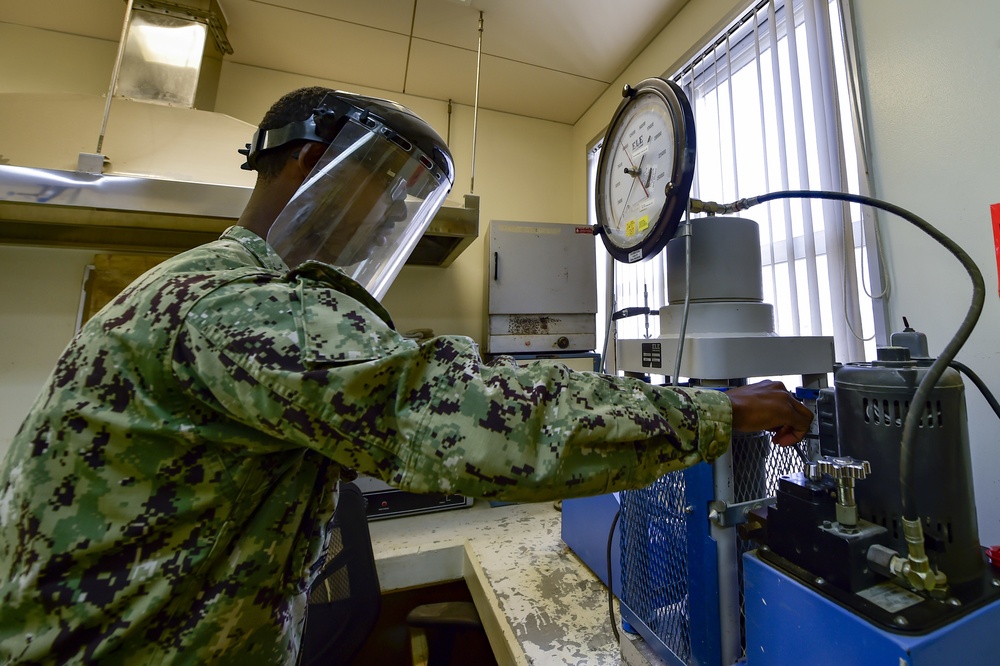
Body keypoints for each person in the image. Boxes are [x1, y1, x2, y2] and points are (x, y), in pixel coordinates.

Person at [0, 86, 813, 664]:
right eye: (387, 189)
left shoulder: (199, 287)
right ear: (309, 165)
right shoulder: (240, 306)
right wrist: (717, 412)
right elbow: (475, 419)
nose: (394, 214)